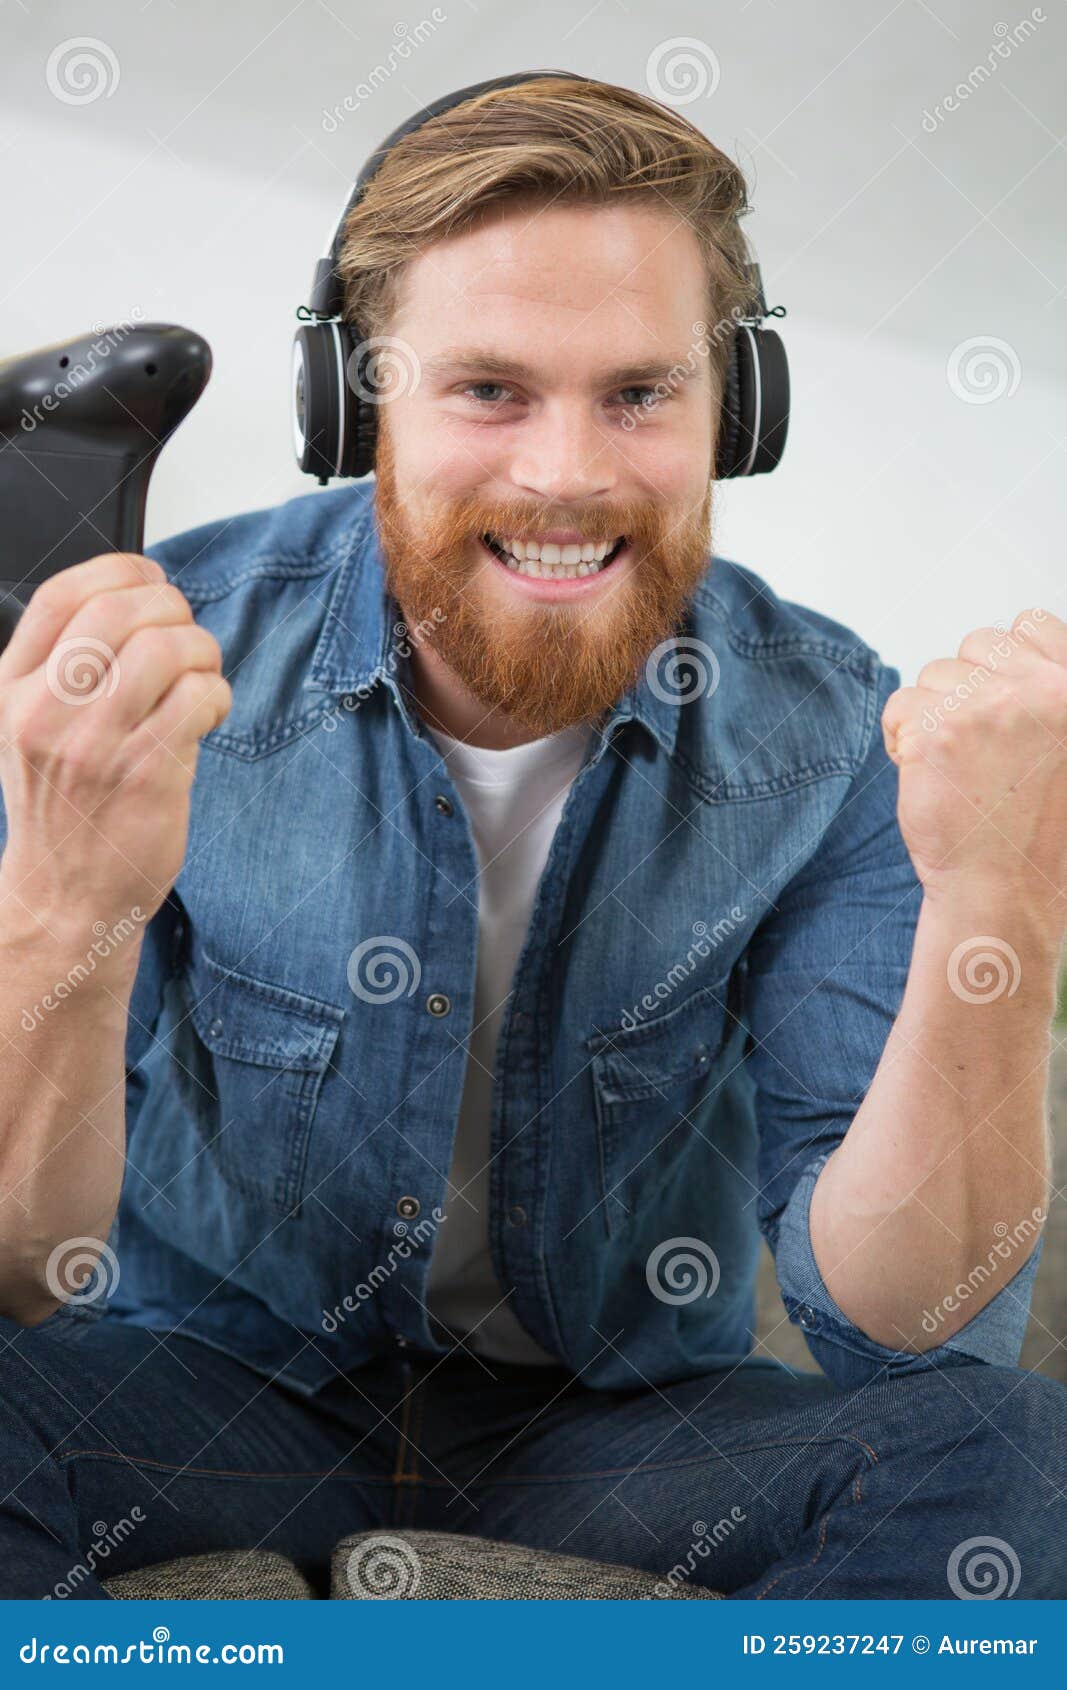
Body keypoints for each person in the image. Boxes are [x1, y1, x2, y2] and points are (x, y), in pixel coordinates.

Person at [0, 73, 1064, 1602]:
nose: (566, 473)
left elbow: (903, 1327)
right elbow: (21, 1267)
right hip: (214, 1396)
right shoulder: (146, 670)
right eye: (489, 389)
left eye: (639, 394)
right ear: (354, 402)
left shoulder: (834, 738)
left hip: (615, 1434)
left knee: (1014, 1453)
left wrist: (1001, 902)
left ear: (736, 413)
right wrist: (62, 899)